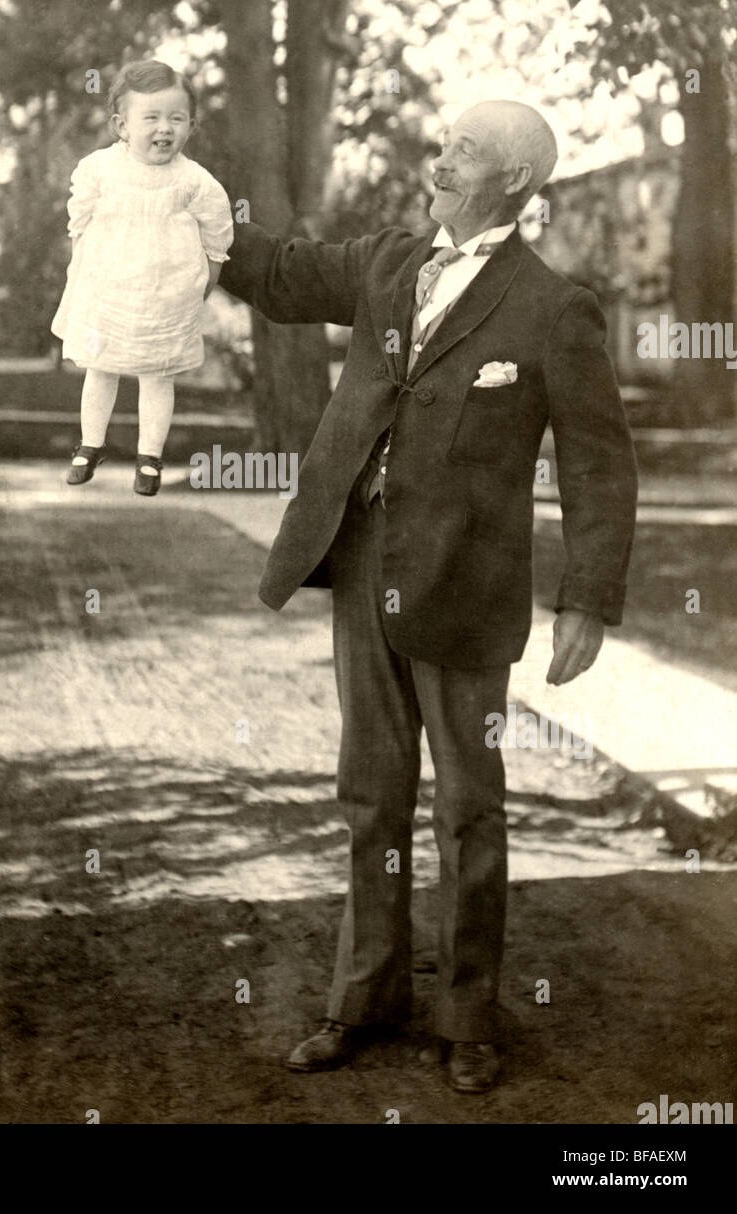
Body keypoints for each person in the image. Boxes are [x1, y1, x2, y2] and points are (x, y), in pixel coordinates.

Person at [218, 100, 638, 1094]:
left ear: (510, 182)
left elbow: (597, 460)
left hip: (466, 588)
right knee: (368, 792)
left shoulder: (552, 305)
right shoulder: (385, 260)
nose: (437, 159)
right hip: (358, 562)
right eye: (444, 143)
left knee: (466, 808)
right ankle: (362, 1000)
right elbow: (273, 273)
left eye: (461, 150)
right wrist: (169, 197)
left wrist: (588, 598)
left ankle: (468, 1017)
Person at [51, 59, 234, 495]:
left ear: (191, 124)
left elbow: (217, 233)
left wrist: (202, 285)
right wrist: (84, 272)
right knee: (102, 366)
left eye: (177, 118)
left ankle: (150, 456)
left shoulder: (194, 180)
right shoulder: (99, 169)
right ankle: (90, 443)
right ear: (122, 125)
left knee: (158, 373)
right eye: (151, 118)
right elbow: (80, 219)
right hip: (110, 290)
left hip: (167, 295)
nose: (164, 129)